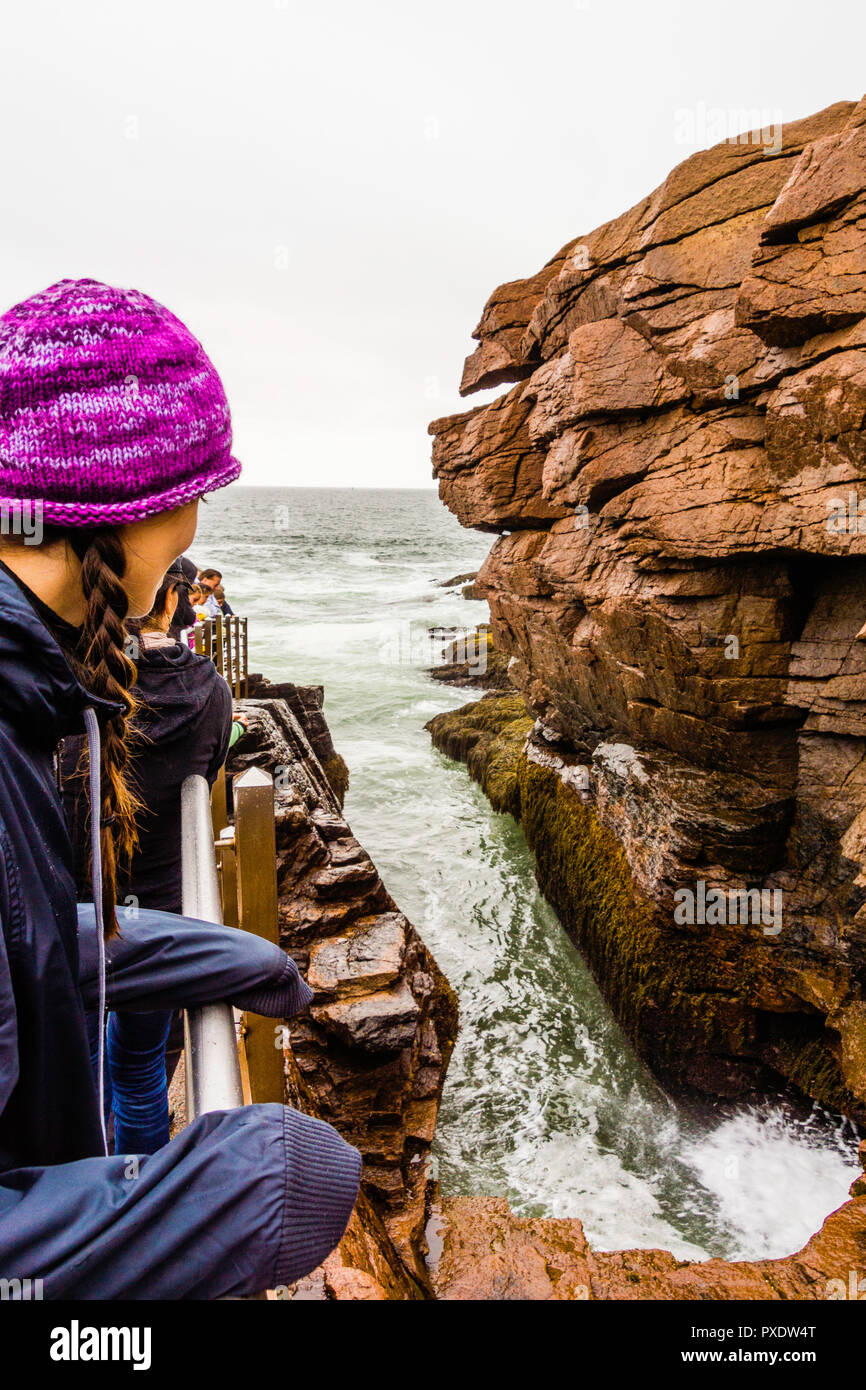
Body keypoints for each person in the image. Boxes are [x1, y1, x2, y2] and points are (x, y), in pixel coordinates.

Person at [0, 278, 361, 1298]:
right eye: (198, 488)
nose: (202, 518)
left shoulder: (32, 696)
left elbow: (16, 943)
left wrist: (198, 952)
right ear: (135, 516)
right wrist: (250, 1186)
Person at [61, 561, 249, 1154]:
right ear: (172, 600)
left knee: (76, 1070)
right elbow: (211, 764)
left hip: (71, 914)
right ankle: (135, 1188)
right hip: (158, 919)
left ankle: (86, 1193)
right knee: (140, 1070)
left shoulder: (65, 683)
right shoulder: (210, 692)